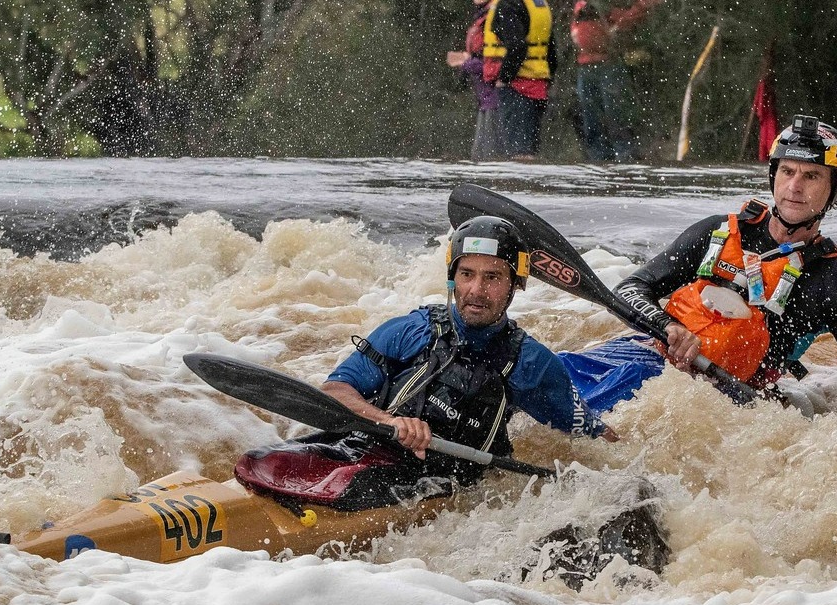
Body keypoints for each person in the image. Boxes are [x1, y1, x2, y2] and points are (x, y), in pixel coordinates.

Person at [235, 215, 615, 514]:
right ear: (453, 277)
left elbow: (591, 436)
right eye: (466, 275)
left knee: (349, 483)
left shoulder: (532, 364)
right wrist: (390, 422)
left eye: (493, 278)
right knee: (262, 459)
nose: (476, 290)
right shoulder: (410, 331)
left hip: (446, 475)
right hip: (365, 448)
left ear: (516, 284)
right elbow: (336, 392)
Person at [568, 115, 837, 416]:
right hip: (647, 356)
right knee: (557, 370)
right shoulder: (716, 233)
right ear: (774, 175)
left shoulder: (832, 287)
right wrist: (668, 327)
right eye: (787, 171)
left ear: (834, 189)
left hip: (721, 397)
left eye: (811, 175)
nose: (794, 186)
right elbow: (629, 290)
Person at [569, 0, 659, 162]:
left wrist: (642, 7)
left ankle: (626, 157)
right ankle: (600, 159)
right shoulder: (583, 7)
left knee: (615, 116)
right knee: (592, 119)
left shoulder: (605, 7)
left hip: (608, 65)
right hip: (586, 67)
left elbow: (627, 20)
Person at [483, 0, 556, 159]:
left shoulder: (508, 5)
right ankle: (530, 183)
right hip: (538, 86)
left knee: (519, 153)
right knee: (529, 150)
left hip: (516, 86)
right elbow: (551, 54)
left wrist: (504, 78)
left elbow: (517, 46)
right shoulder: (539, 5)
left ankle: (518, 184)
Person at [448, 0, 502, 160]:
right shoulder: (482, 15)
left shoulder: (495, 14)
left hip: (494, 98)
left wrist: (465, 63)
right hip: (485, 99)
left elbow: (494, 63)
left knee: (489, 154)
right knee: (479, 154)